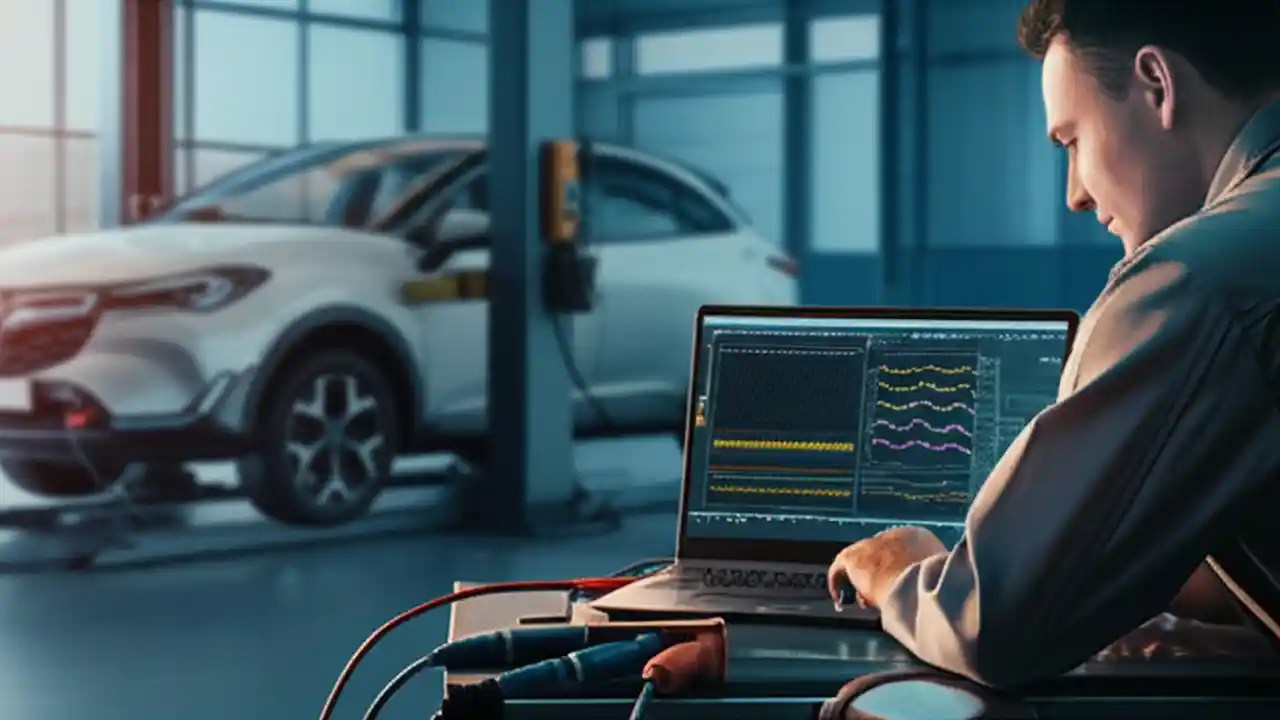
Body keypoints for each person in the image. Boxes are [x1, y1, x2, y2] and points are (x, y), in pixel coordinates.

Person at [827, 0, 1280, 688]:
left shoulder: (1199, 279)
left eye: (1071, 140)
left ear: (1157, 85)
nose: (1074, 194)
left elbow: (993, 626)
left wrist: (900, 572)